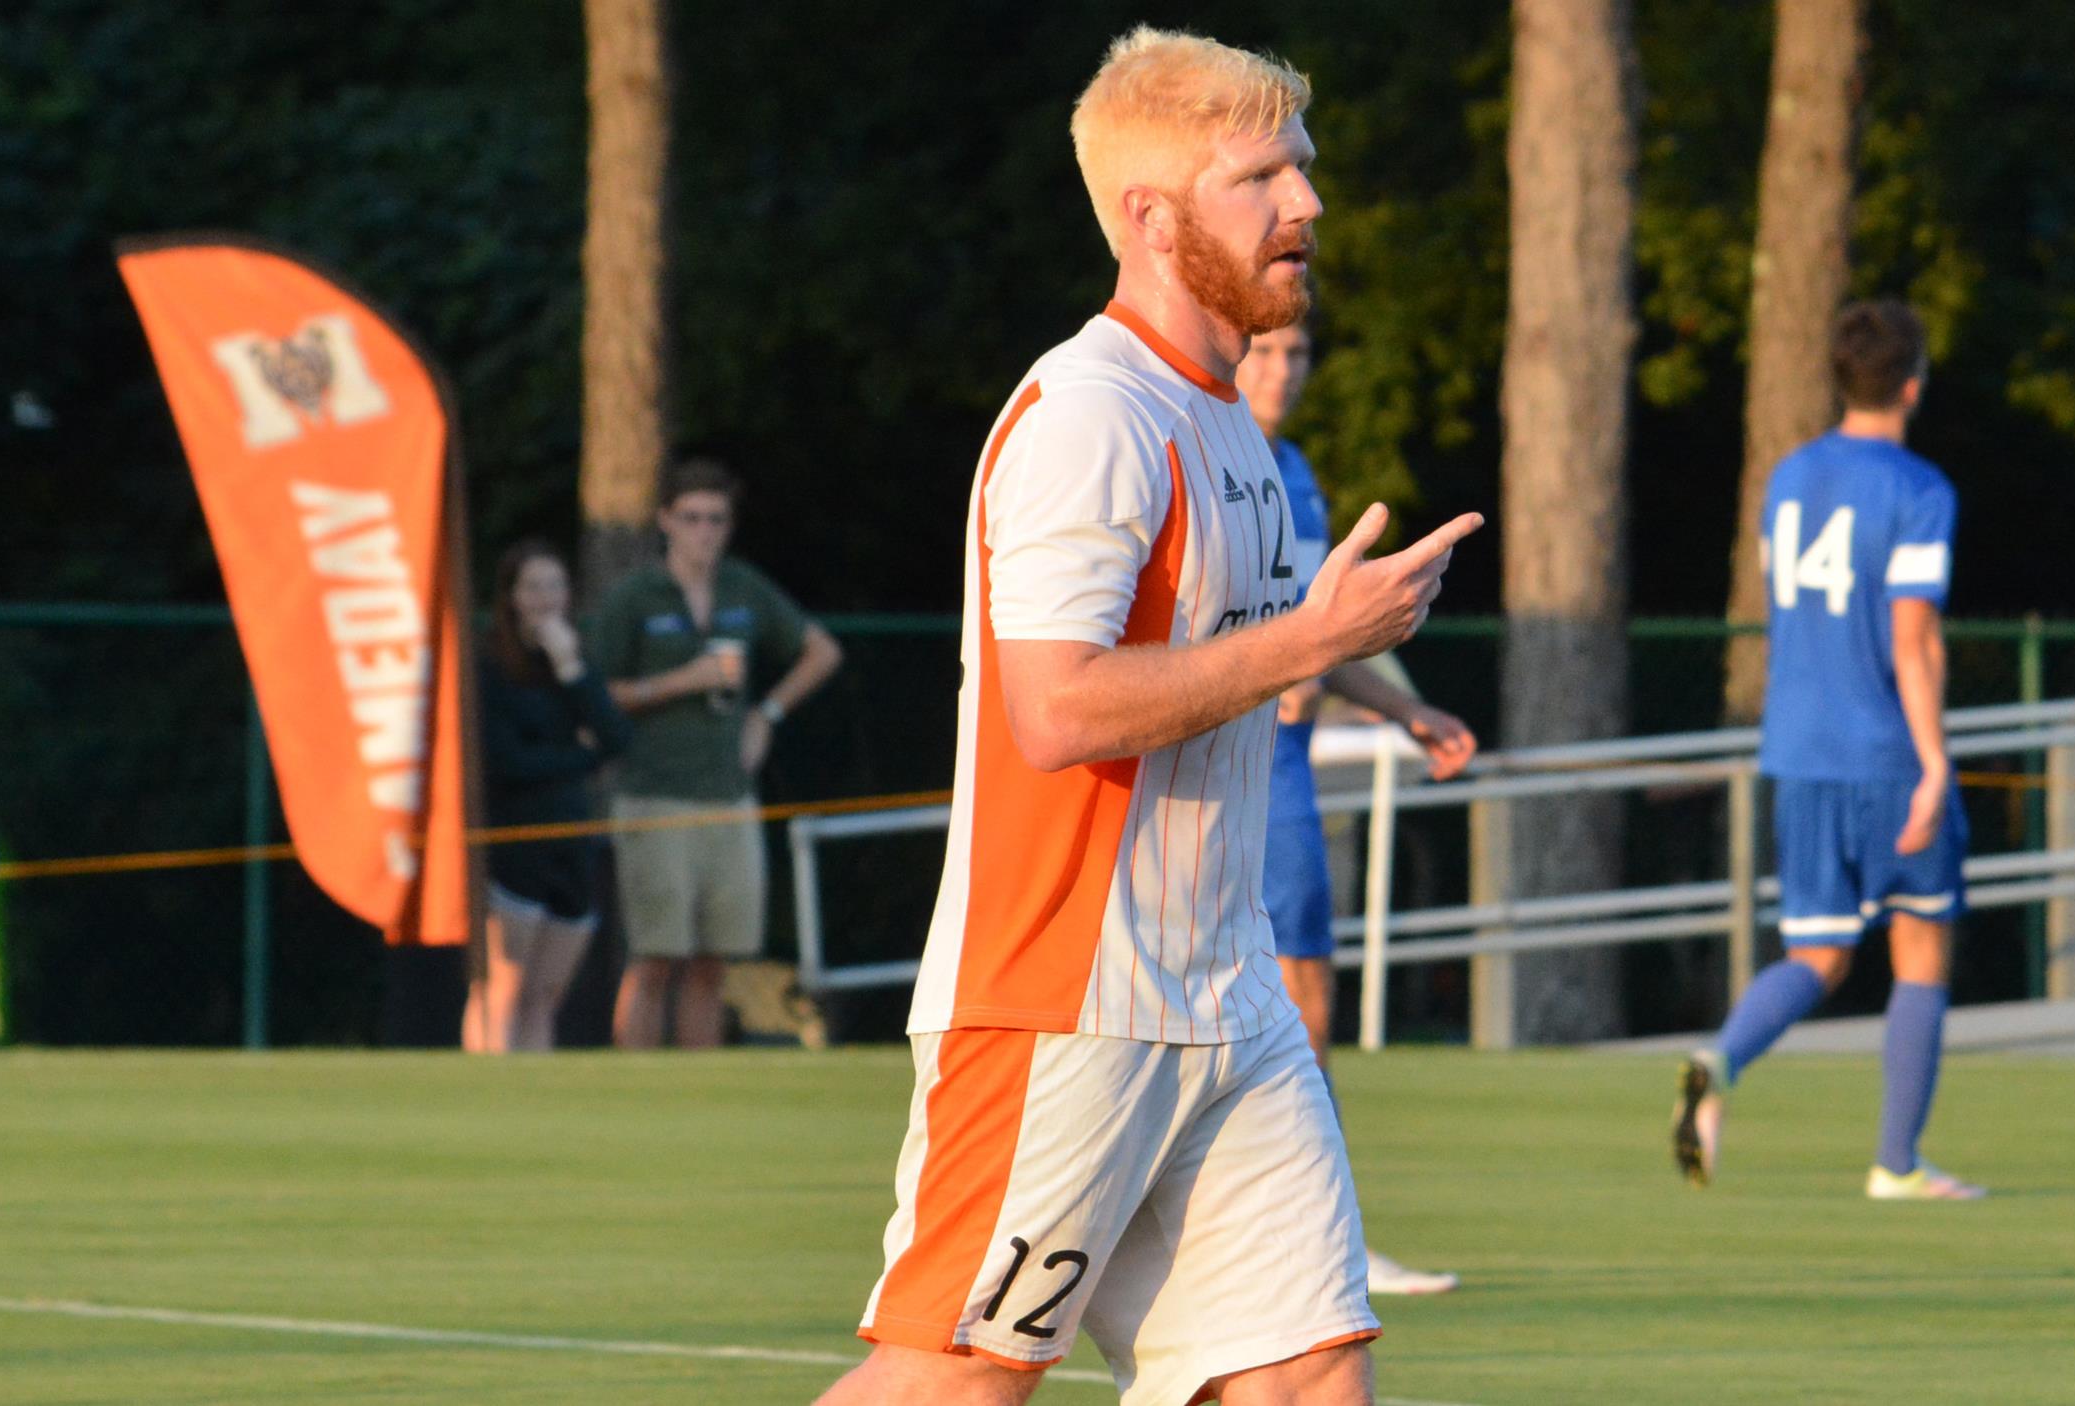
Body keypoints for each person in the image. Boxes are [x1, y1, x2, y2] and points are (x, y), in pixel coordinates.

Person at [817, 28, 1482, 1406]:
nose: (1305, 204)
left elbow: (1243, 663)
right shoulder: (1089, 414)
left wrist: (1332, 646)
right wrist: (1311, 637)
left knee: (1304, 1374)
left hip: (1224, 994)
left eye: (1302, 169)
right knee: (952, 1382)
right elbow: (1053, 709)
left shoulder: (1232, 426)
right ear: (1150, 215)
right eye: (1261, 177)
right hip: (1067, 999)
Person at [1672, 299, 1982, 1201]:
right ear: (1914, 384)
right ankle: (1897, 1163)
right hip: (1884, 754)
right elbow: (1914, 638)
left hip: (1799, 753)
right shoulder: (1920, 490)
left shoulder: (1789, 478)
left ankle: (1721, 1058)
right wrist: (1934, 762)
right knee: (1922, 949)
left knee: (1818, 954)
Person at [1238, 320, 1476, 1296]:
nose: (1283, 372)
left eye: (1297, 355)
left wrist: (1407, 706)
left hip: (1284, 768)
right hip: (1214, 766)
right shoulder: (1192, 450)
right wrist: (1266, 671)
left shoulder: (1293, 470)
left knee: (1304, 1001)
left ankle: (1319, 1239)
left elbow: (1316, 636)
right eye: (1265, 353)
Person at [593, 458, 844, 1050]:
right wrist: (682, 681)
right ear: (665, 521)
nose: (704, 531)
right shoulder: (634, 596)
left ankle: (698, 1092)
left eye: (716, 519)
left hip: (731, 796)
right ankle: (634, 1094)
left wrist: (767, 714)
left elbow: (822, 652)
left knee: (714, 963)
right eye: (692, 518)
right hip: (654, 795)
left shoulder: (743, 587)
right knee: (655, 958)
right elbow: (596, 694)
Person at [464, 540, 632, 1054]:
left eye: (555, 585)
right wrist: (582, 756)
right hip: (515, 845)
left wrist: (571, 668)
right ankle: (484, 1093)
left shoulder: (574, 660)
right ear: (511, 596)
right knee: (504, 986)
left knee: (546, 993)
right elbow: (508, 764)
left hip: (572, 841)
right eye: (533, 586)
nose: (545, 597)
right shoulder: (489, 667)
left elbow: (617, 738)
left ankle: (530, 1102)